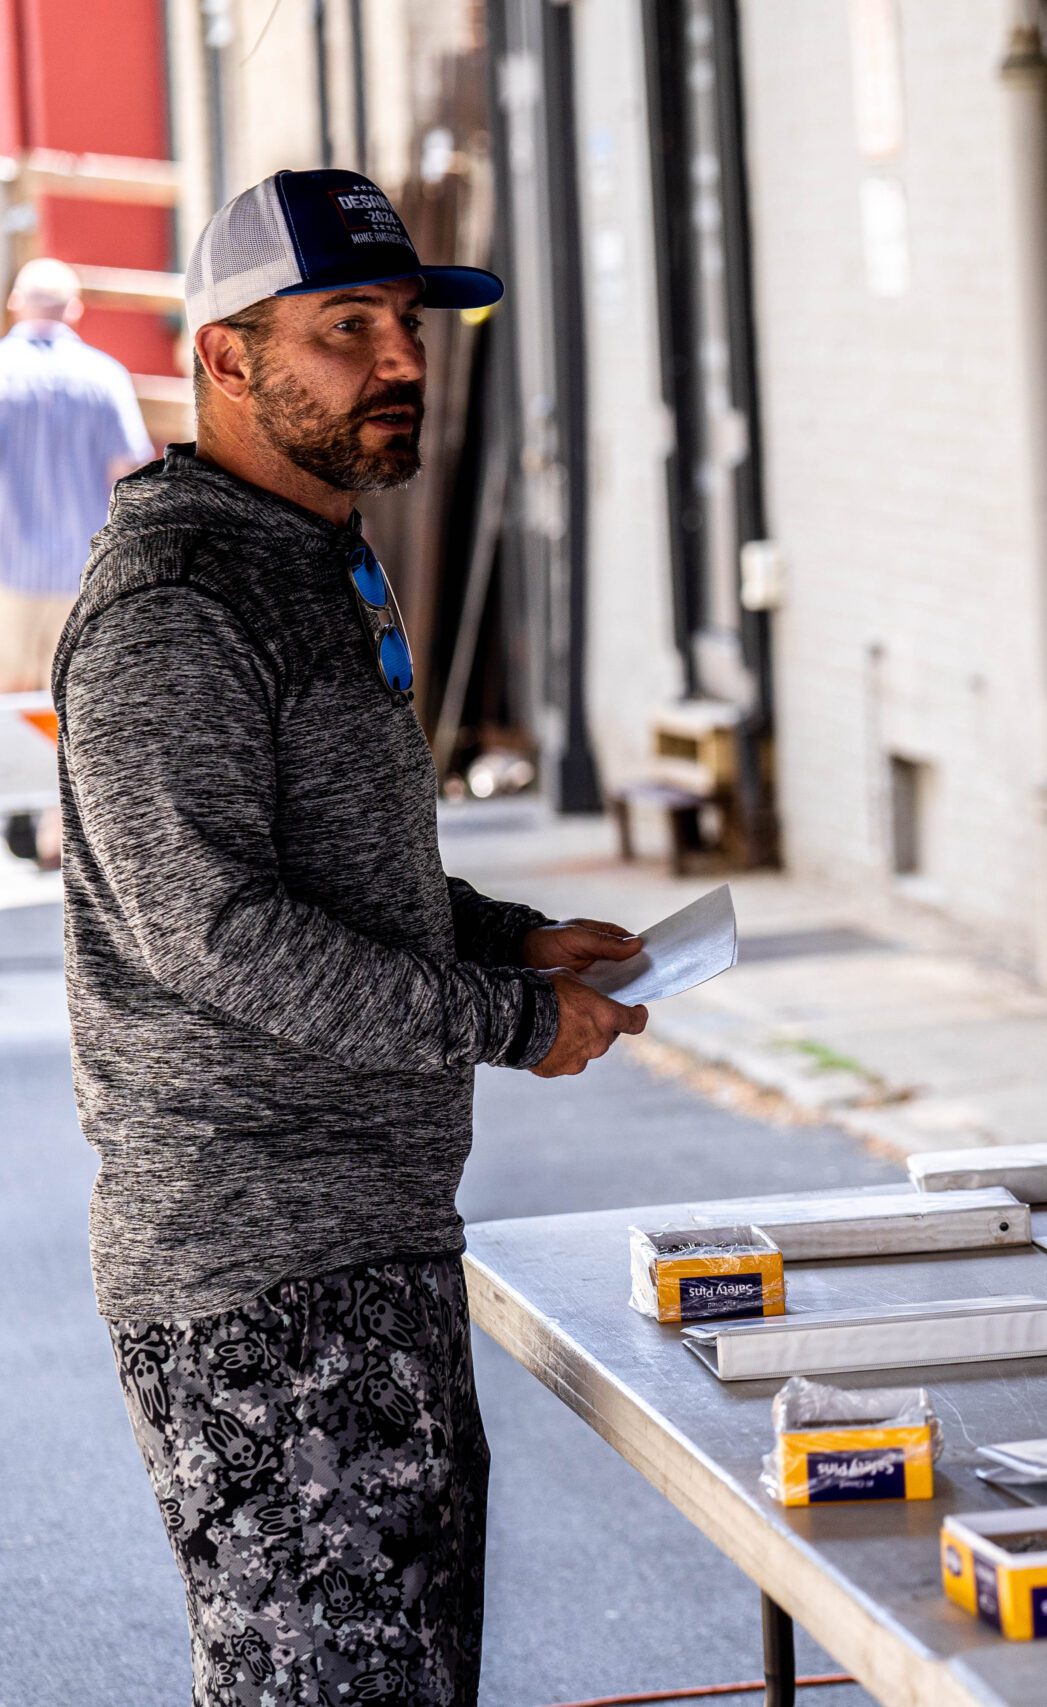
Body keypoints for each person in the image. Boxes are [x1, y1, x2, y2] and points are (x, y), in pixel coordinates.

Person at [55, 169, 648, 1706]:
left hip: (373, 1244)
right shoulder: (176, 603)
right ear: (225, 358)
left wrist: (513, 940)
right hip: (261, 1280)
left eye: (406, 323)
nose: (398, 360)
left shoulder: (312, 557)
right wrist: (507, 1021)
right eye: (344, 328)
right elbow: (221, 930)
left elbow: (339, 878)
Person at [0, 257, 151, 692]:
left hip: (7, 574)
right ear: (73, 309)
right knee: (67, 710)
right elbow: (130, 476)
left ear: (14, 302)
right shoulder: (105, 377)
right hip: (80, 578)